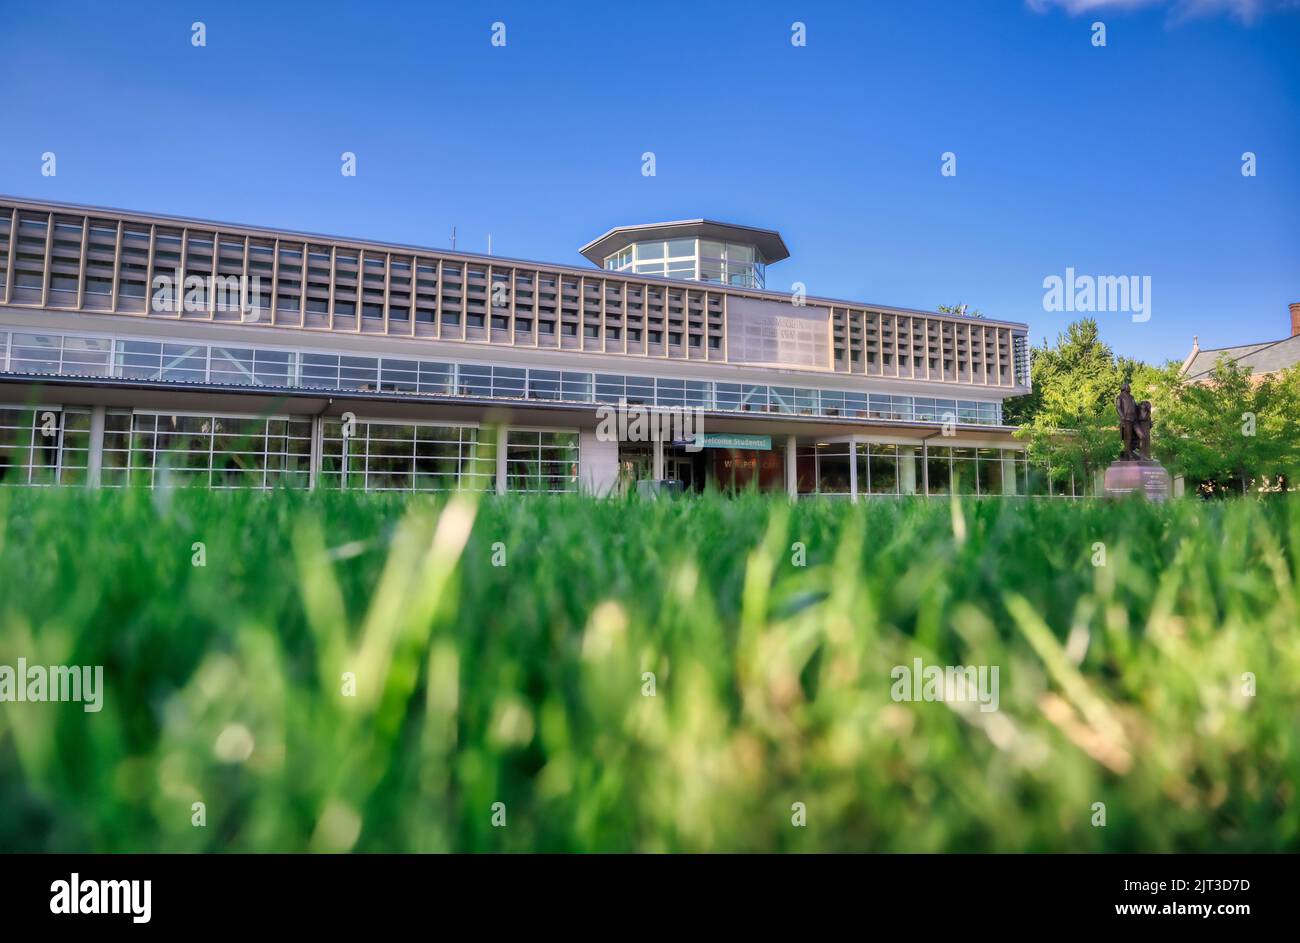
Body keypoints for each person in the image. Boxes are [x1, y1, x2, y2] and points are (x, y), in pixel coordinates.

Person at [1115, 383, 1138, 461]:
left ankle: (1136, 454)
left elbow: (1136, 406)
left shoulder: (1132, 397)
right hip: (1126, 419)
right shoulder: (1120, 397)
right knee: (1128, 438)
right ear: (1124, 387)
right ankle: (1129, 455)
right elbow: (1118, 408)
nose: (1129, 387)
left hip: (1134, 419)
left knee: (1139, 436)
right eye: (1128, 386)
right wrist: (1122, 417)